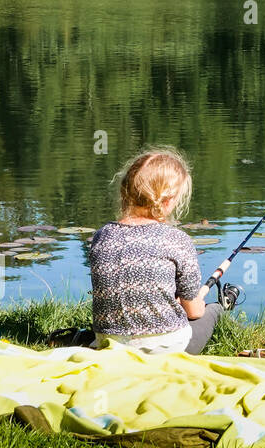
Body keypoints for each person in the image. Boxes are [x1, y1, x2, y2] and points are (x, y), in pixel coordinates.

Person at [88, 146, 241, 355]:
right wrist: (195, 304)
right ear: (167, 201)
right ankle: (223, 306)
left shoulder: (102, 235)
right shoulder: (177, 239)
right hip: (166, 349)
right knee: (212, 311)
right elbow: (194, 312)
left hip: (108, 344)